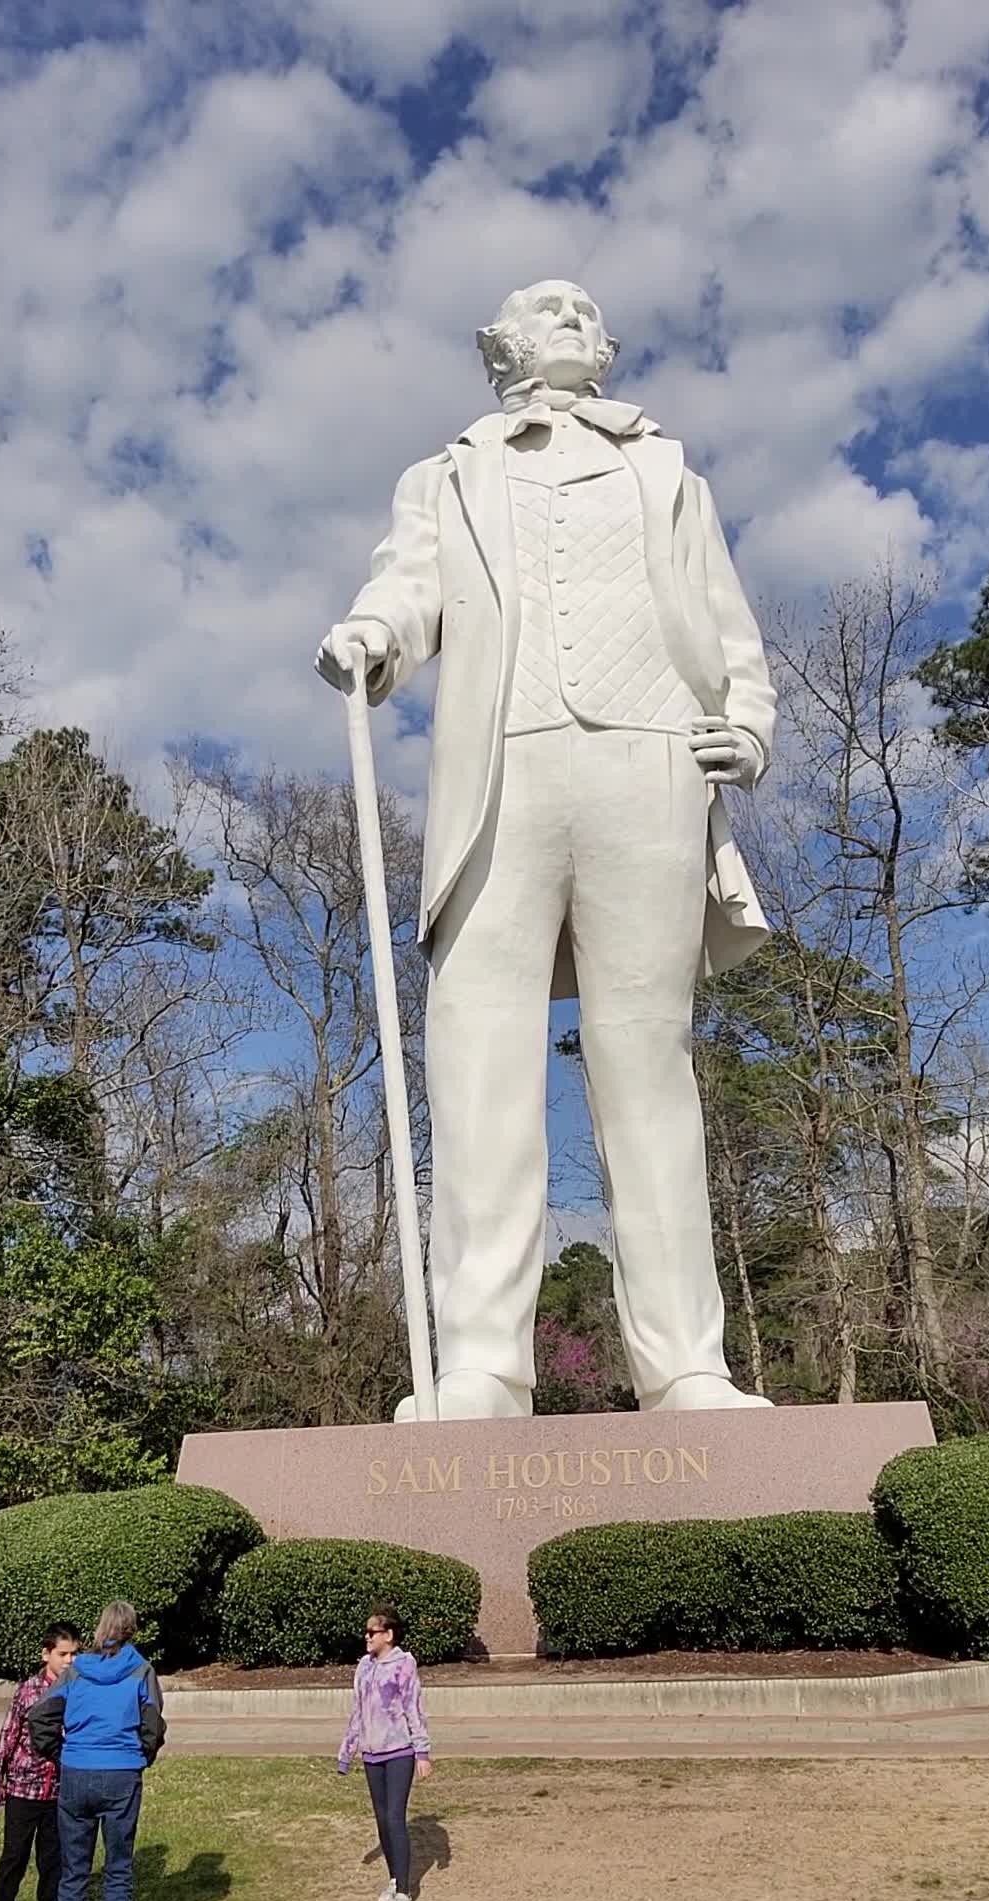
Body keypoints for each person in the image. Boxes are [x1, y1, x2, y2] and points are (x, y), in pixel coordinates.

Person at [316, 277, 777, 1423]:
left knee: (646, 1063)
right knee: (478, 1065)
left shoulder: (668, 473)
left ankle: (684, 1367)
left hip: (651, 761)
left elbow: (727, 625)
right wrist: (375, 632)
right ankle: (479, 1363)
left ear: (607, 344)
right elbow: (409, 583)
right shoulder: (446, 474)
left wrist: (752, 727)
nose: (569, 311)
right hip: (501, 773)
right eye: (545, 304)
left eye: (584, 304)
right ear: (501, 344)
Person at [27, 1600, 166, 1901]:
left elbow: (39, 1717)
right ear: (132, 1630)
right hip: (120, 1774)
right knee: (117, 1869)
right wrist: (139, 1758)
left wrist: (63, 1754)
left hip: (77, 1774)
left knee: (73, 1871)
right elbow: (153, 1726)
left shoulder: (75, 1671)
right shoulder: (142, 1670)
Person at [338, 1605, 432, 1901]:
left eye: (372, 1632)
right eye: (366, 1632)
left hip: (400, 1751)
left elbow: (413, 1707)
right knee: (381, 1820)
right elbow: (358, 1710)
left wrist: (422, 1751)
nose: (366, 1637)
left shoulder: (404, 1664)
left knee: (394, 1817)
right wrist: (347, 1749)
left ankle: (404, 1894)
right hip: (371, 1754)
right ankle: (394, 1879)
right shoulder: (363, 1666)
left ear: (388, 1635)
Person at [0, 1621, 82, 1901]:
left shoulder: (79, 1690)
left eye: (74, 1654)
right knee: (14, 1856)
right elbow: (9, 1734)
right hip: (23, 1788)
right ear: (46, 1654)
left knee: (52, 1858)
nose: (69, 1661)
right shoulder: (28, 1691)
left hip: (58, 1790)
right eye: (63, 1654)